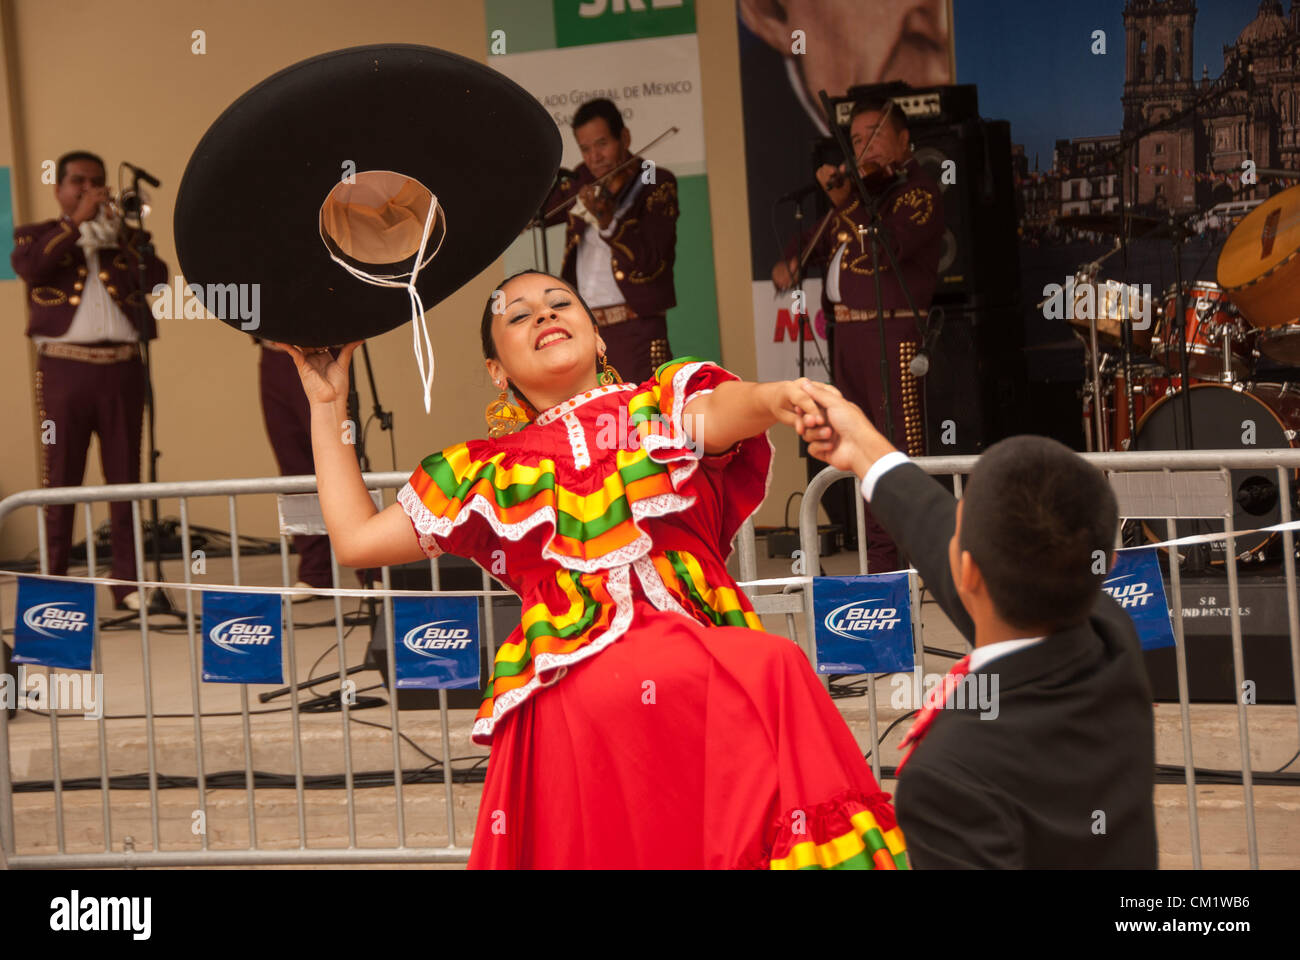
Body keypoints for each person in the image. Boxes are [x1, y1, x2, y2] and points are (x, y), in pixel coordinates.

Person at [275, 270, 908, 870]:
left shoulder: (655, 410)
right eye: (517, 316)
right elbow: (356, 540)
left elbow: (723, 412)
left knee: (773, 668)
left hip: (699, 663)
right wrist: (328, 407)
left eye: (559, 302)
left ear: (598, 333)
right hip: (577, 689)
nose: (543, 314)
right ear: (497, 371)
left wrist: (779, 396)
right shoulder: (485, 470)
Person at [796, 379, 1158, 869]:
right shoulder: (1111, 635)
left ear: (968, 572)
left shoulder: (948, 776)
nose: (948, 526)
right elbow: (937, 526)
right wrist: (862, 446)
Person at [772, 98, 944, 571]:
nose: (863, 146)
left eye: (875, 134)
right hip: (846, 336)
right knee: (858, 445)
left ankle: (913, 562)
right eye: (856, 139)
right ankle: (882, 564)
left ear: (904, 140)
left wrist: (848, 202)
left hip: (892, 332)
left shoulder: (918, 192)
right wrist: (794, 256)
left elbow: (890, 247)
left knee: (896, 448)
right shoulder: (854, 198)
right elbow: (806, 253)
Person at [11, 151, 169, 611]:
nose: (89, 188)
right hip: (64, 369)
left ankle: (128, 583)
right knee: (60, 479)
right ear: (58, 188)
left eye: (96, 182)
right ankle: (54, 586)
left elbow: (158, 282)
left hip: (122, 367)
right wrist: (76, 224)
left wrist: (117, 233)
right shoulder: (38, 235)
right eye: (78, 181)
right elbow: (32, 269)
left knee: (125, 479)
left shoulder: (129, 237)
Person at [540, 98, 678, 384]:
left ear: (624, 138)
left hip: (636, 333)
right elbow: (537, 214)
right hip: (586, 335)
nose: (595, 157)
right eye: (585, 149)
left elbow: (650, 261)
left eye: (602, 144)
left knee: (644, 422)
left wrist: (609, 221)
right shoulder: (582, 181)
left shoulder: (656, 183)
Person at [255, 339, 339, 598]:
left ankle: (371, 569)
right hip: (274, 354)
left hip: (318, 352)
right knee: (293, 467)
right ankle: (314, 572)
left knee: (340, 457)